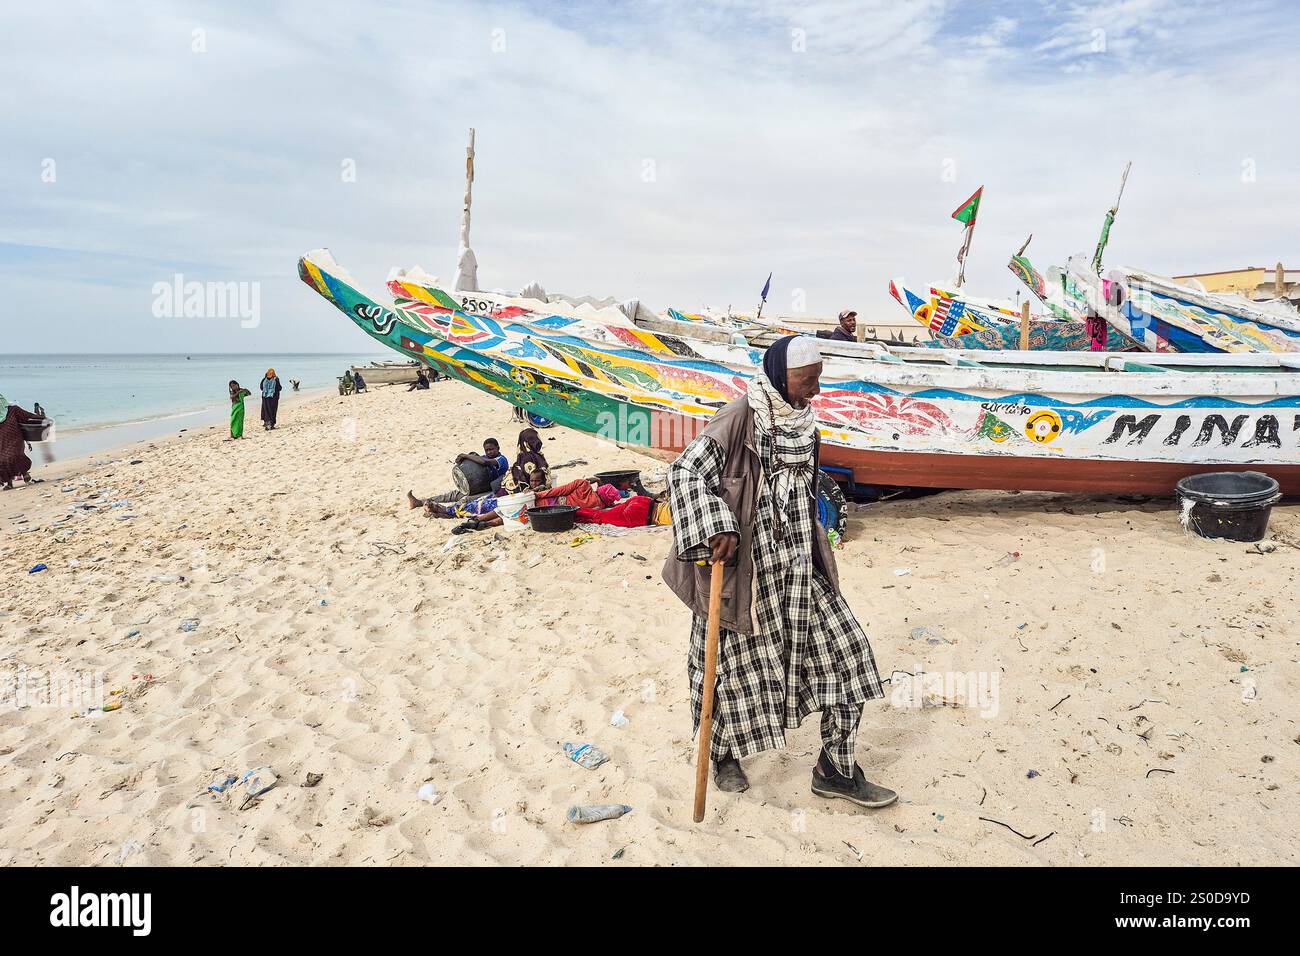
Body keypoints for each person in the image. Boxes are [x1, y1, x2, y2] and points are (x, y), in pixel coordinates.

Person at [662, 335, 895, 809]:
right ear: (778, 374)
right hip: (743, 574)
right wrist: (716, 525)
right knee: (726, 673)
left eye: (817, 381)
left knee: (847, 657)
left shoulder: (806, 425)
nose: (814, 391)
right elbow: (685, 474)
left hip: (799, 571)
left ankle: (836, 770)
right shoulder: (737, 418)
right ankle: (723, 754)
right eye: (806, 381)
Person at [0, 400, 42, 490]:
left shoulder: (13, 409)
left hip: (15, 438)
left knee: (15, 455)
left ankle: (24, 472)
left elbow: (27, 417)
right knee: (2, 460)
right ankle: (9, 482)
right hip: (1, 441)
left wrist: (40, 418)